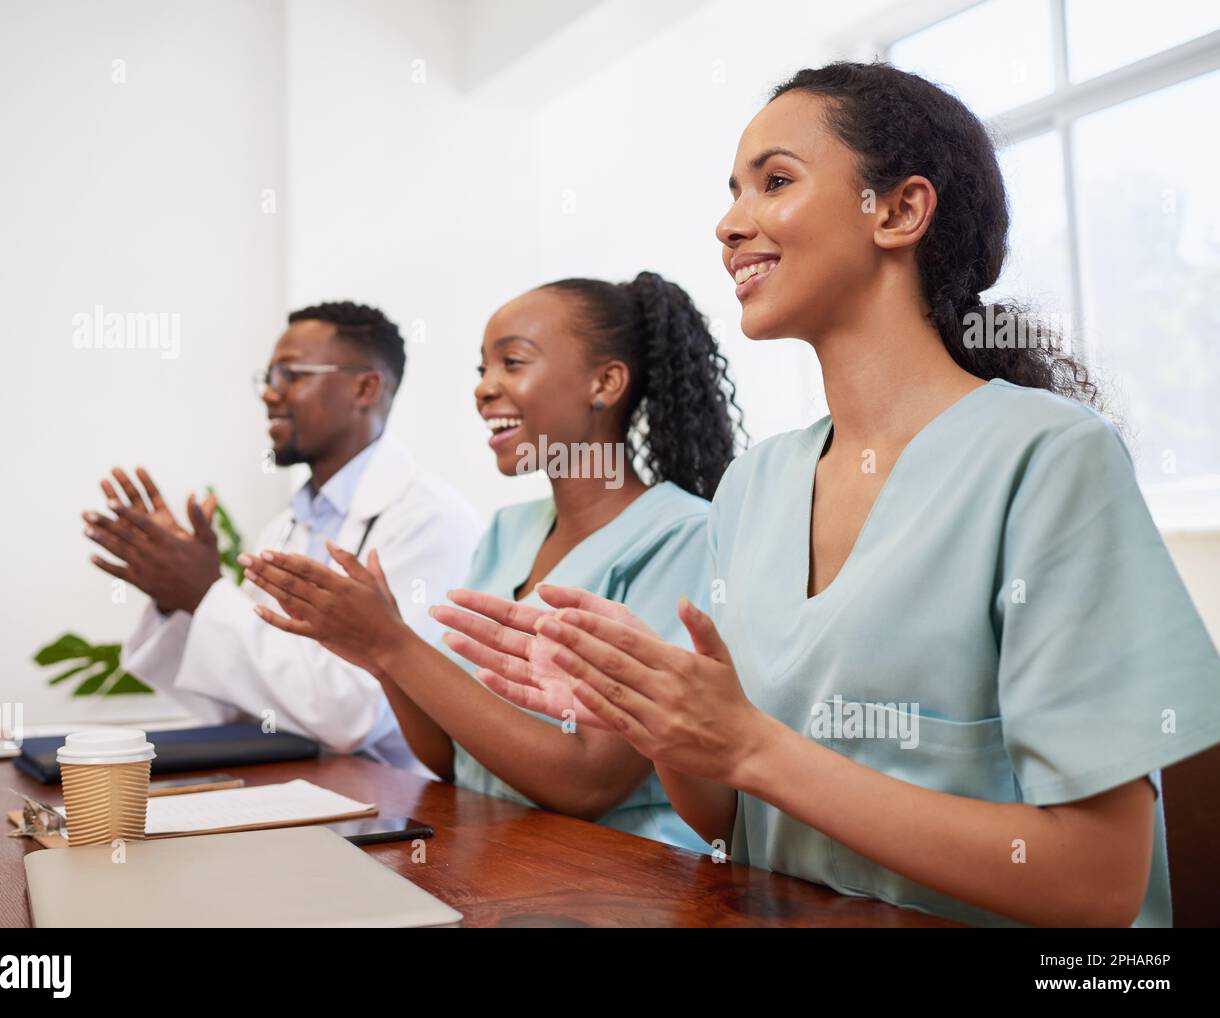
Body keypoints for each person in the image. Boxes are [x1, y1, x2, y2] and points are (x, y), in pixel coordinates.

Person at [442, 62, 1220, 926]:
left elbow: (1098, 881)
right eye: (733, 192)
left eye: (774, 182)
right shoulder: (755, 486)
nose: (730, 225)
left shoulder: (1047, 458)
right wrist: (659, 715)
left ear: (899, 211)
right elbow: (728, 820)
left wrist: (754, 746)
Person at [239, 273, 744, 851]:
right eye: (483, 369)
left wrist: (392, 645)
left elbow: (589, 785)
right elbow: (454, 759)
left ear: (604, 382)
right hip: (499, 858)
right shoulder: (509, 531)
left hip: (619, 881)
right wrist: (379, 653)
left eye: (513, 362)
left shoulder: (683, 536)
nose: (484, 389)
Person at [82, 301, 481, 773]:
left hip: (397, 807)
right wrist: (180, 600)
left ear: (364, 387)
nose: (270, 395)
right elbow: (243, 704)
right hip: (295, 787)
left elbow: (356, 715)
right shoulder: (287, 527)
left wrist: (204, 593)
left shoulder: (430, 519)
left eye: (291, 375)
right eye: (268, 378)